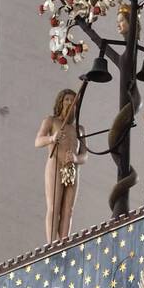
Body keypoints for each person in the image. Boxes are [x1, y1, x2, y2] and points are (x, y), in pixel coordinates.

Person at [35, 87, 87, 243]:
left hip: (72, 168)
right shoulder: (51, 121)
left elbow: (85, 155)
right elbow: (38, 141)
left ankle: (64, 242)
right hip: (55, 165)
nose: (70, 103)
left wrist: (76, 158)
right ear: (61, 102)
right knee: (54, 206)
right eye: (67, 100)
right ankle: (51, 244)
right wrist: (52, 139)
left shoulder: (79, 129)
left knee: (68, 210)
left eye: (73, 101)